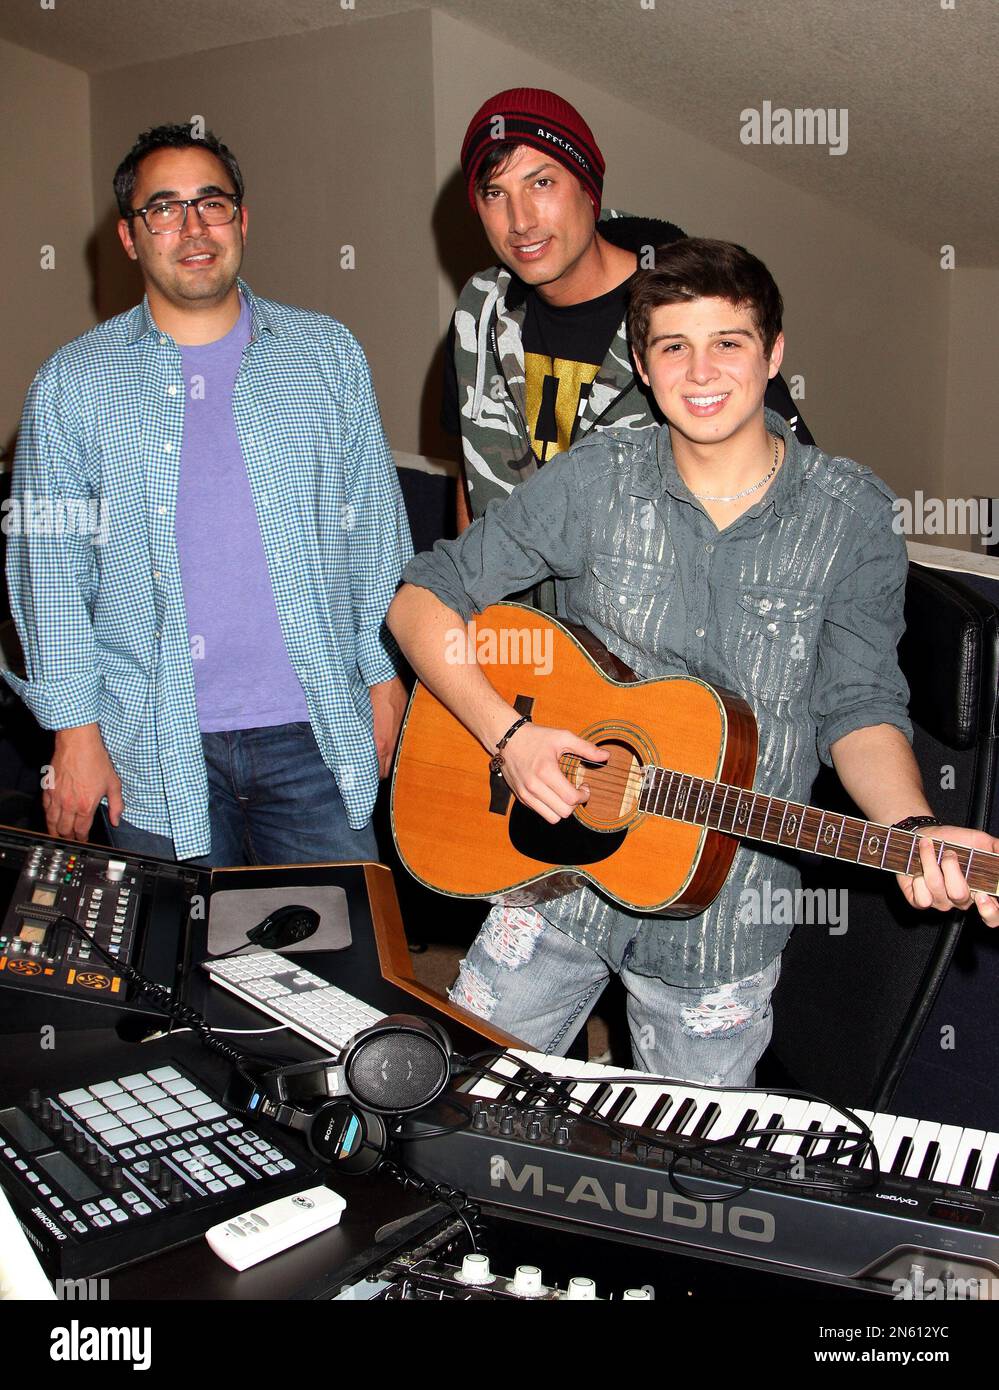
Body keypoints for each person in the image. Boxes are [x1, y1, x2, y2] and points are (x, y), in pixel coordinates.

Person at [389, 237, 999, 1086]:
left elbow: (858, 708)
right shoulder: (595, 480)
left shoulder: (849, 514)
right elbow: (423, 596)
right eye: (673, 346)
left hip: (726, 917)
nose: (700, 371)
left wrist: (911, 831)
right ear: (642, 363)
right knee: (443, 1096)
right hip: (549, 877)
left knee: (694, 1189)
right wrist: (508, 737)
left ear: (773, 354)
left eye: (728, 342)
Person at [5, 124, 412, 867]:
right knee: (177, 973)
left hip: (316, 733)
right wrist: (74, 733)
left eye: (211, 203)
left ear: (242, 220)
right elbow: (50, 577)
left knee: (338, 969)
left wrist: (385, 676)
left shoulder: (328, 355)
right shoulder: (72, 384)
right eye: (162, 208)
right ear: (130, 238)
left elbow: (375, 540)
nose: (192, 228)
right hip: (152, 744)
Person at [444, 87, 812, 563]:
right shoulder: (480, 308)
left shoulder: (687, 303)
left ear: (587, 187)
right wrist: (480, 612)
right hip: (516, 628)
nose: (521, 221)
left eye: (541, 184)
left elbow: (789, 485)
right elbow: (469, 467)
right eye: (496, 193)